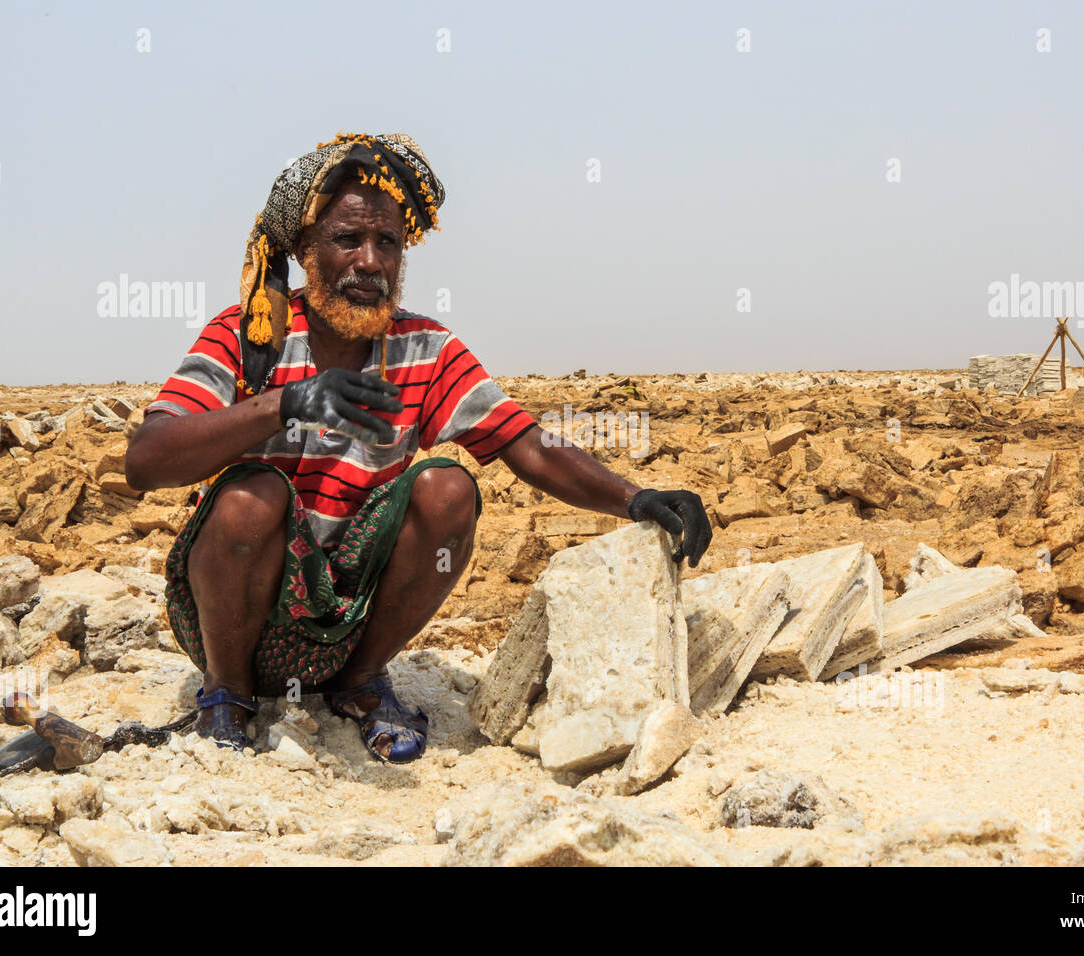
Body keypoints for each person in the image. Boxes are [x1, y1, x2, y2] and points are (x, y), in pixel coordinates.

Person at [125, 132, 711, 763]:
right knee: (251, 496)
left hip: (340, 629)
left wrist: (636, 498)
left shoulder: (423, 351)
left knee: (447, 488)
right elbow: (146, 460)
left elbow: (526, 444)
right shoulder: (249, 336)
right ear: (303, 250)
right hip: (232, 621)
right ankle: (228, 696)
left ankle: (360, 684)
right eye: (348, 240)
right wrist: (285, 403)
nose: (371, 262)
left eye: (388, 244)